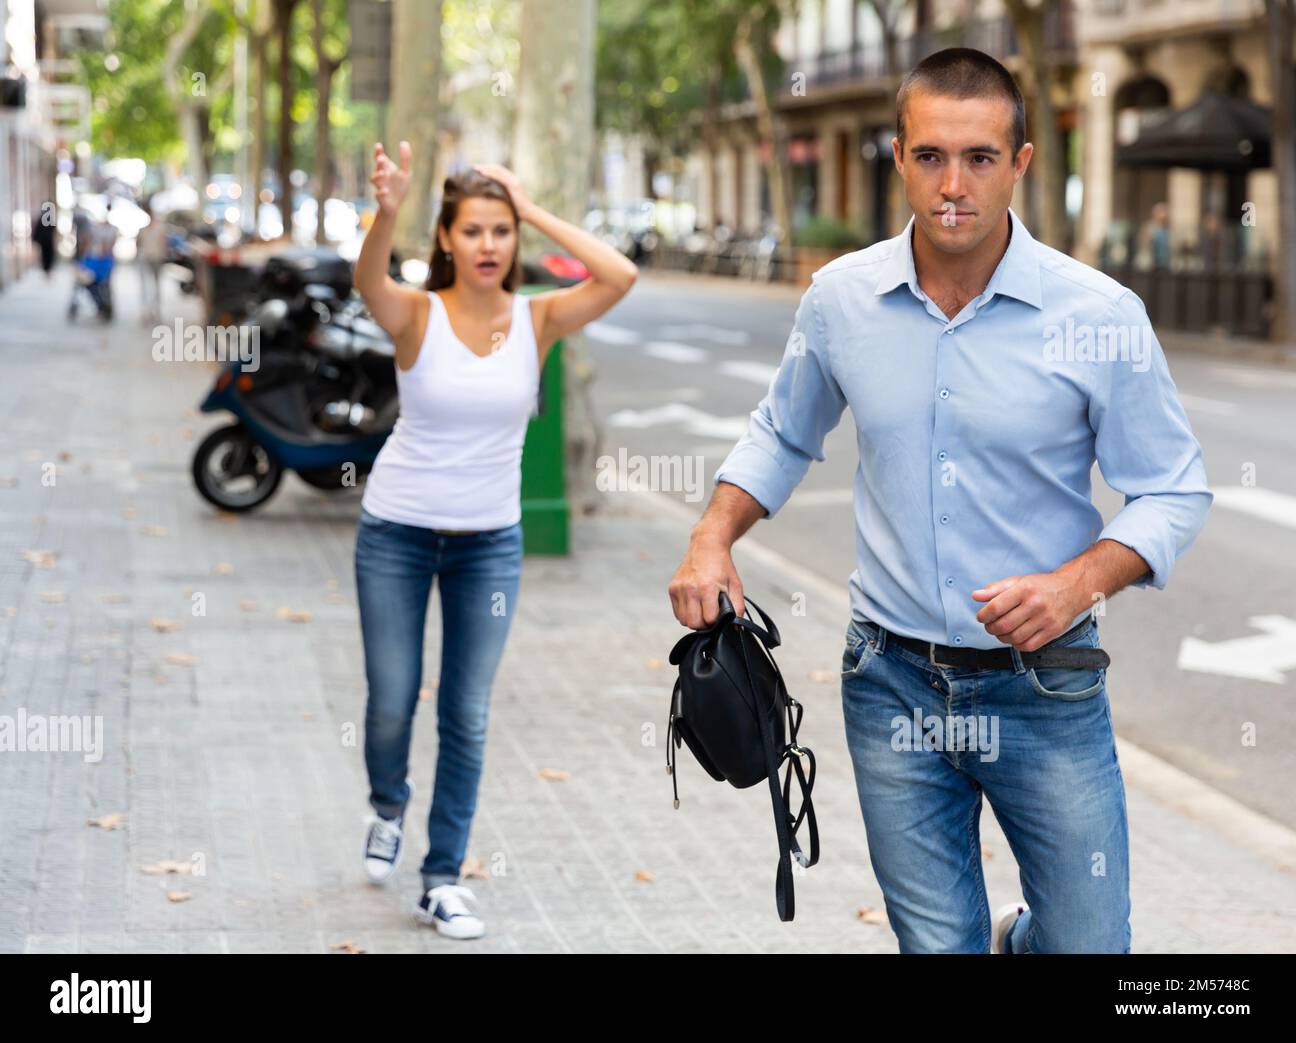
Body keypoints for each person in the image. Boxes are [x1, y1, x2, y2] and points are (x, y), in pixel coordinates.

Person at [668, 48, 1212, 954]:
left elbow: (1172, 487)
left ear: (1022, 164)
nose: (953, 184)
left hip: (1047, 685)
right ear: (899, 156)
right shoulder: (841, 301)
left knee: (1089, 946)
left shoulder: (1099, 314)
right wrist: (709, 537)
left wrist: (1078, 583)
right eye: (930, 156)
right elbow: (780, 432)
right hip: (891, 683)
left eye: (980, 158)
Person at [352, 142, 637, 939]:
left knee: (466, 713)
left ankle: (442, 875)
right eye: (472, 230)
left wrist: (530, 204)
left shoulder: (538, 319)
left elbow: (620, 276)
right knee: (390, 698)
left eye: (501, 232)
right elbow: (367, 281)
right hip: (397, 533)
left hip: (488, 546)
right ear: (445, 239)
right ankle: (386, 805)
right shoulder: (416, 312)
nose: (488, 245)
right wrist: (386, 210)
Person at [136, 202, 170, 323]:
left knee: (156, 286)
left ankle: (156, 311)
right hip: (146, 258)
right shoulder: (143, 230)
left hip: (157, 258)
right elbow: (138, 244)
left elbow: (164, 244)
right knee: (145, 285)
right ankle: (146, 312)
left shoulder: (160, 229)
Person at [32, 201, 56, 278]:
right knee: (47, 256)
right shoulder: (47, 218)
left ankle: (47, 272)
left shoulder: (44, 218)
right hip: (46, 241)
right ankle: (47, 272)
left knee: (46, 256)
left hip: (45, 241)